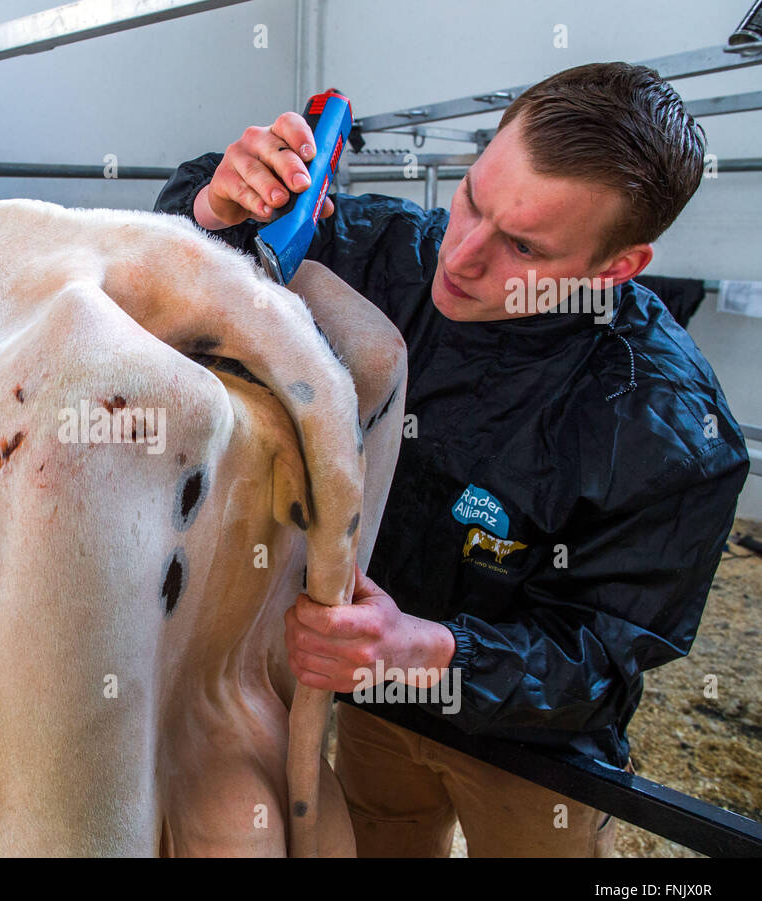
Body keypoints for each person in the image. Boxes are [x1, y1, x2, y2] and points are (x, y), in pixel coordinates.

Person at [154, 62, 751, 857]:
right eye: (471, 196)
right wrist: (217, 202)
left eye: (524, 247)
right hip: (374, 699)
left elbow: (605, 657)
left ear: (616, 269)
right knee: (386, 839)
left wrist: (437, 652)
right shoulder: (391, 251)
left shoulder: (673, 427)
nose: (463, 257)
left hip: (535, 754)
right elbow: (212, 258)